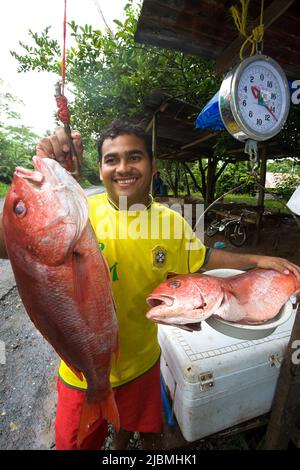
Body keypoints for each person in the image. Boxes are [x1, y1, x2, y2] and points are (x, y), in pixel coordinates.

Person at [0, 120, 300, 450]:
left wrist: (257, 260)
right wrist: (50, 167)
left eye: (134, 157)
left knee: (132, 428)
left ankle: (119, 447)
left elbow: (202, 259)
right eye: (111, 159)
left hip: (143, 365)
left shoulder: (172, 220)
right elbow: (17, 242)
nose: (123, 168)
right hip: (82, 374)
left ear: (153, 164)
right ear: (99, 168)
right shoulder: (80, 212)